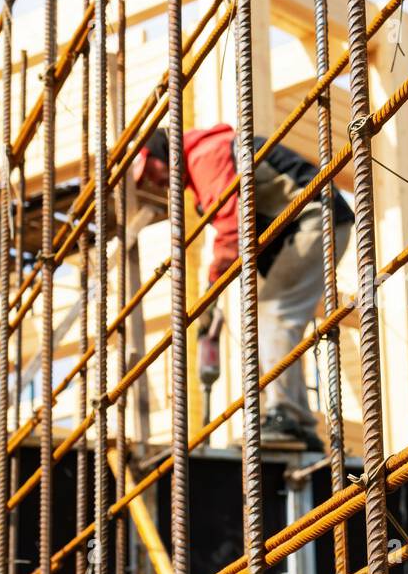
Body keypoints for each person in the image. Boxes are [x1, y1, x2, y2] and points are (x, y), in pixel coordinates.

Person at [133, 124, 353, 451]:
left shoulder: (205, 153)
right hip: (307, 227)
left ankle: (286, 417)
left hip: (314, 220)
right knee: (273, 316)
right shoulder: (205, 159)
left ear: (159, 151)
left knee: (274, 313)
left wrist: (210, 291)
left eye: (149, 170)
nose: (153, 181)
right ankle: (299, 424)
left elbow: (228, 225)